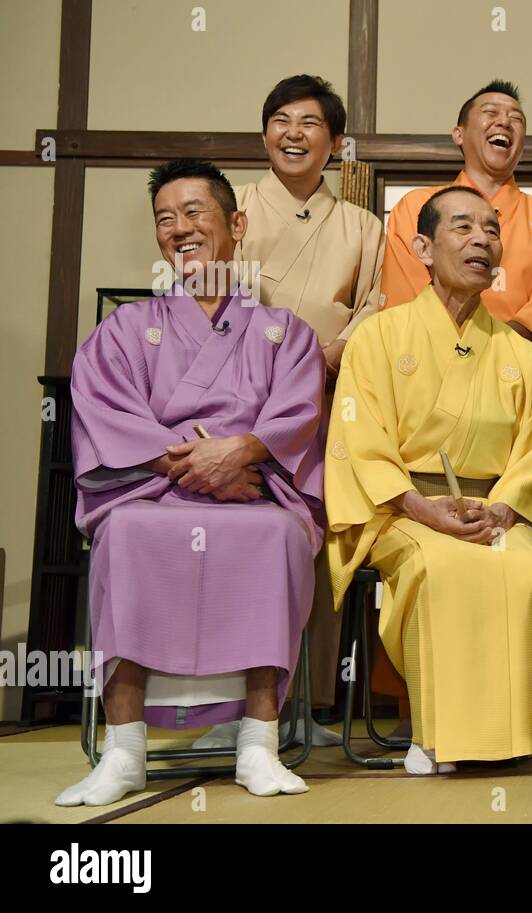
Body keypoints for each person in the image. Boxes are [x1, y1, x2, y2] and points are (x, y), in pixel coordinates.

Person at [58, 160, 324, 805]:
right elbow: (107, 414)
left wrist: (241, 454)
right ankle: (124, 751)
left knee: (278, 538)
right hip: (152, 491)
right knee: (122, 533)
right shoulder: (123, 328)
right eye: (165, 219)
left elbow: (295, 416)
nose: (179, 229)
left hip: (253, 489)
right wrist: (201, 470)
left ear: (235, 224)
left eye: (194, 213)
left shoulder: (283, 331)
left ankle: (257, 744)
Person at [327, 186, 532, 773]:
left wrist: (504, 509)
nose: (482, 240)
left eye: (491, 229)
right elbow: (359, 438)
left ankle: (500, 735)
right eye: (463, 228)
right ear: (423, 247)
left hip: (492, 509)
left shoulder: (518, 351)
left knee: (523, 565)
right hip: (403, 509)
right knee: (439, 564)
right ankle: (434, 734)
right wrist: (424, 510)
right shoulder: (377, 336)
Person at [195, 74, 383, 750]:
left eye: (310, 122)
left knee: (316, 539)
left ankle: (311, 704)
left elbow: (373, 311)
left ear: (334, 143)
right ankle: (223, 703)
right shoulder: (233, 206)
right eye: (281, 119)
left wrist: (327, 352)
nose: (294, 132)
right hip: (236, 405)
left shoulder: (362, 224)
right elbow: (206, 295)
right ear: (265, 133)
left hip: (320, 405)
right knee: (231, 539)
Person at [380, 80, 532, 365]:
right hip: (430, 363)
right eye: (491, 113)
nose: (504, 121)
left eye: (516, 119)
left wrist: (494, 347)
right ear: (459, 134)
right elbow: (405, 297)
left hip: (519, 367)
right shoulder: (415, 207)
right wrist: (457, 347)